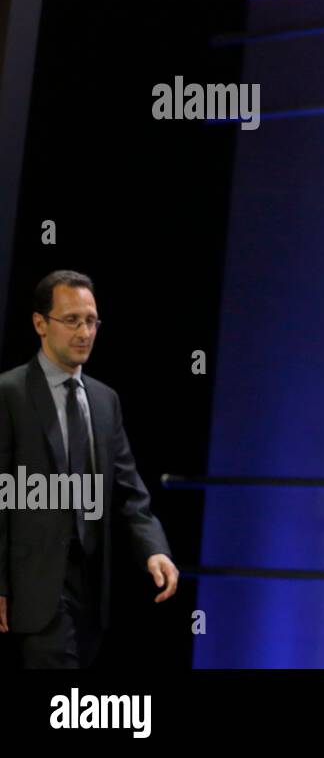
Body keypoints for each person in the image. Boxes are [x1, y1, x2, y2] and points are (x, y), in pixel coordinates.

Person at [0, 270, 178, 668]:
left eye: (91, 320)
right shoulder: (9, 392)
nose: (84, 332)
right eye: (72, 320)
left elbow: (129, 487)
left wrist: (155, 549)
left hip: (92, 589)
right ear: (40, 324)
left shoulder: (104, 400)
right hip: (35, 585)